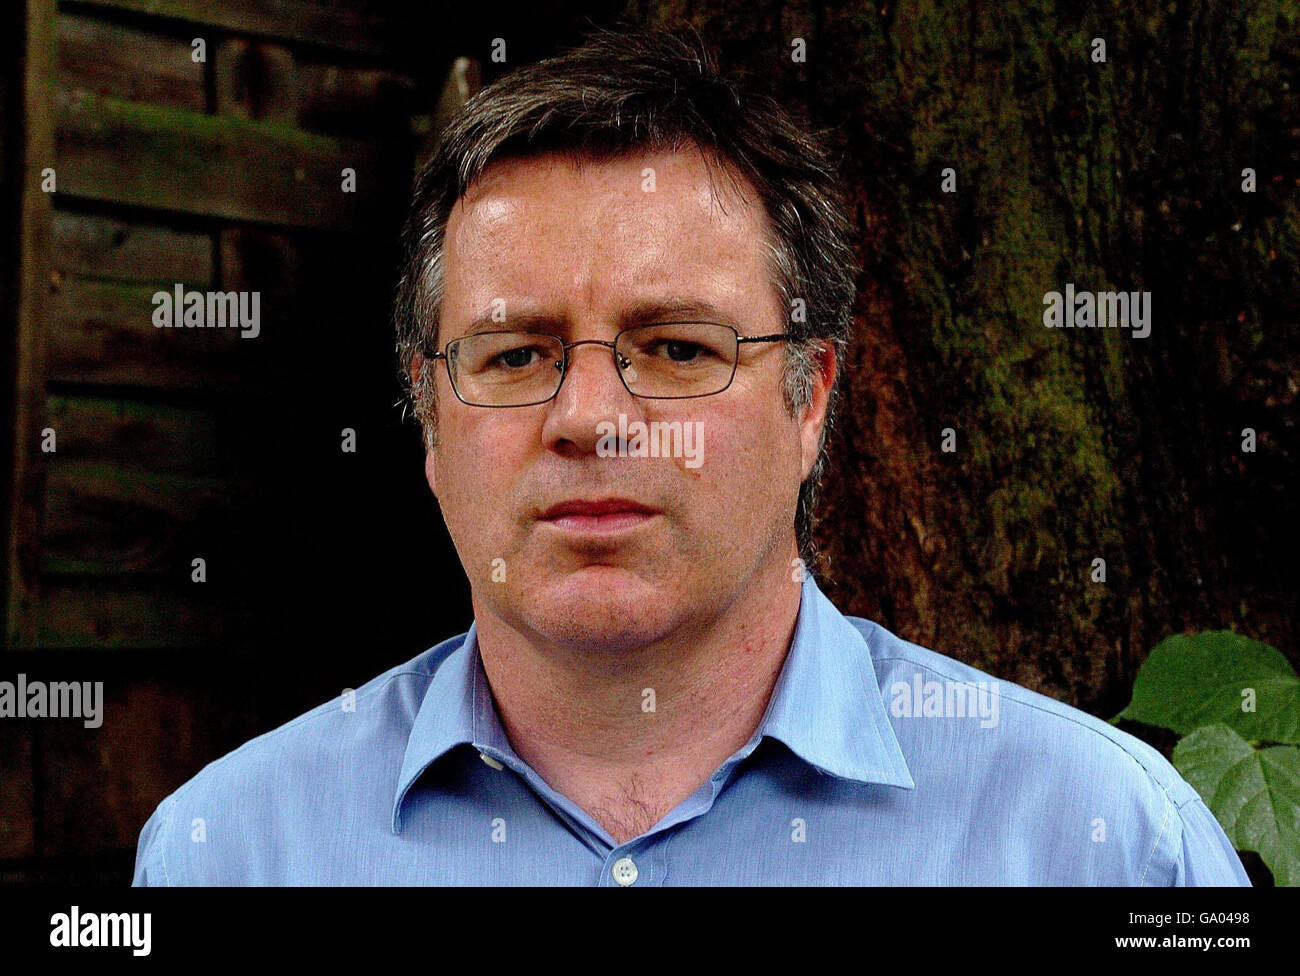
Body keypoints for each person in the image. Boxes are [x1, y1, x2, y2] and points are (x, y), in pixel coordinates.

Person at [133, 29, 1249, 886]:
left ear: (809, 401)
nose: (589, 417)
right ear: (428, 418)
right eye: (515, 353)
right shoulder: (231, 852)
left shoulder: (1096, 844)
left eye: (673, 348)